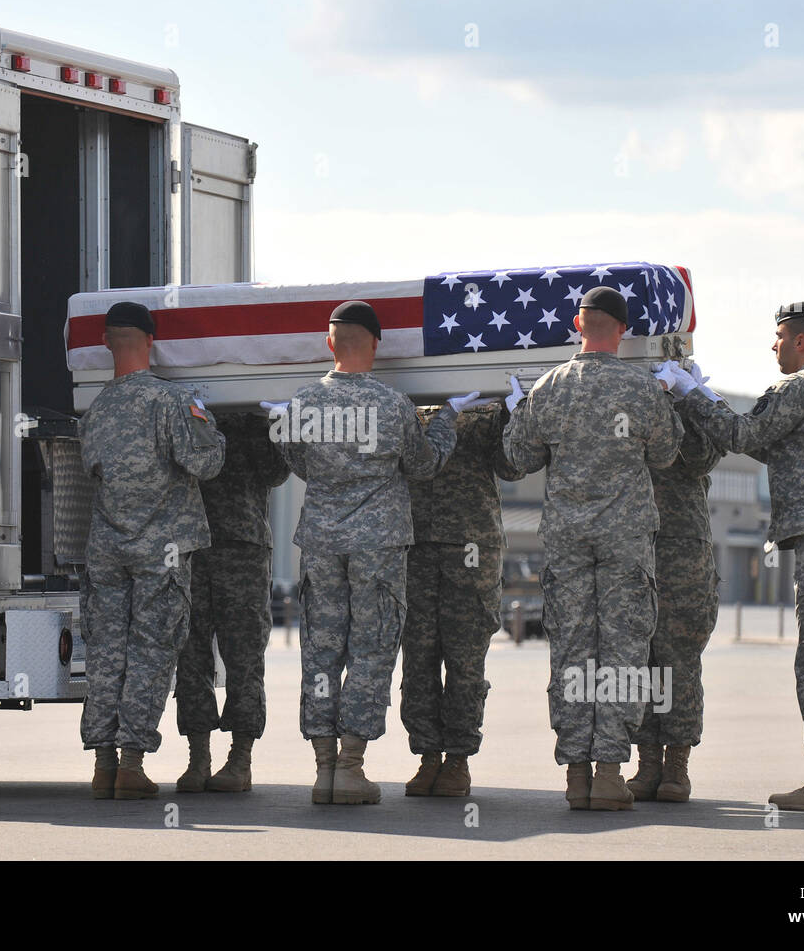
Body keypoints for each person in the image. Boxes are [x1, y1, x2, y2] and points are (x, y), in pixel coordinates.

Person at [658, 302, 804, 811]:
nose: (774, 345)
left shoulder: (801, 386)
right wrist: (706, 397)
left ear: (802, 341)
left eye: (780, 336)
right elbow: (764, 441)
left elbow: (743, 436)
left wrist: (689, 393)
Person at [265, 300, 477, 804]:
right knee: (371, 648)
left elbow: (294, 460)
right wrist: (448, 418)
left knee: (320, 648)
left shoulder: (302, 403)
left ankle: (323, 770)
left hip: (320, 540)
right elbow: (423, 466)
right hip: (377, 544)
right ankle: (351, 766)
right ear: (376, 345)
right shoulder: (392, 404)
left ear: (328, 343)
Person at [503, 285, 682, 810]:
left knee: (573, 653)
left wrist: (518, 408)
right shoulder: (642, 390)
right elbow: (669, 454)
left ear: (578, 325)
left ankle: (576, 774)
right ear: (622, 331)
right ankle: (609, 773)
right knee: (622, 653)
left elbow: (519, 458)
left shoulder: (550, 387)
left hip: (567, 538)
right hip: (624, 538)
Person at [78, 301, 225, 800]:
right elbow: (206, 463)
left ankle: (102, 764)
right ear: (151, 340)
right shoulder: (171, 400)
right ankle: (131, 764)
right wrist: (207, 420)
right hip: (159, 549)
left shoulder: (95, 409)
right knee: (150, 651)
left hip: (106, 547)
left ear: (105, 343)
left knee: (105, 653)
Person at [401, 401, 526, 797]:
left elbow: (513, 467)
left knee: (465, 659)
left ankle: (458, 757)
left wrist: (512, 410)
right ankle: (427, 755)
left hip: (472, 548)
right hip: (415, 546)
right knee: (418, 659)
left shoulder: (487, 411)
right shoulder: (406, 406)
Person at [174, 412, 290, 792]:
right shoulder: (186, 413)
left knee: (243, 656)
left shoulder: (252, 418)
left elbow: (276, 472)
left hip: (243, 547)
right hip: (192, 545)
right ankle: (198, 755)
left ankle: (240, 757)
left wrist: (268, 421)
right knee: (190, 655)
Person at [626, 398, 724, 803]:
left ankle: (677, 765)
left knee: (678, 657)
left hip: (683, 547)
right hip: (634, 541)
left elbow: (703, 457)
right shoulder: (626, 398)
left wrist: (682, 400)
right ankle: (647, 762)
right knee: (639, 657)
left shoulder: (697, 403)